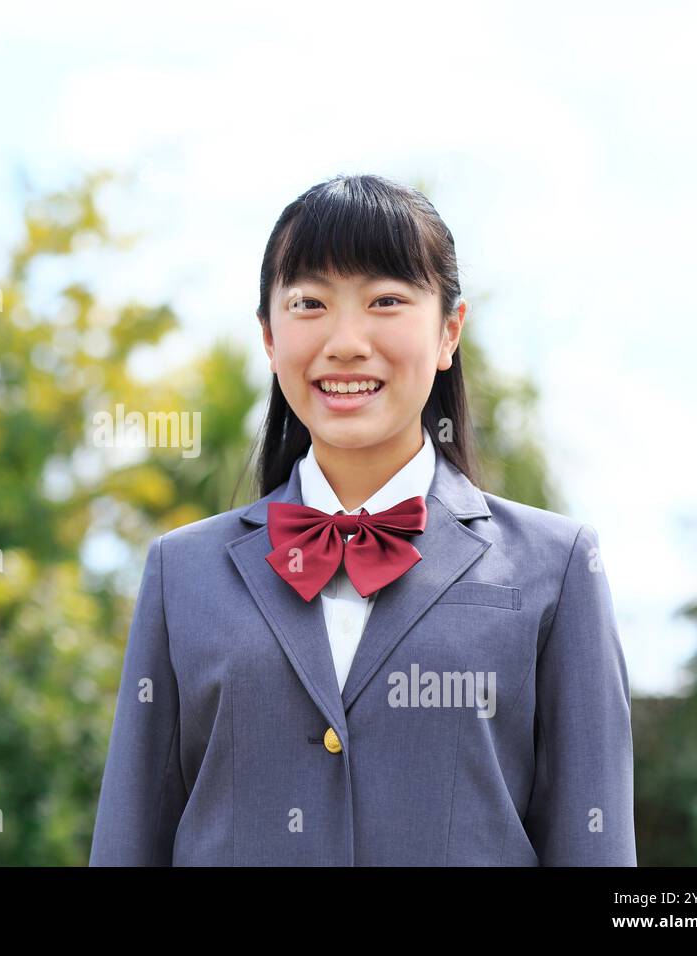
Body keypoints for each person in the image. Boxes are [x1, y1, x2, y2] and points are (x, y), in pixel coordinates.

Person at [88, 173, 636, 866]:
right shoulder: (181, 572)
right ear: (268, 335)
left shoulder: (558, 567)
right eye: (310, 303)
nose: (346, 342)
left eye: (385, 301)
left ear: (449, 332)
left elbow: (596, 848)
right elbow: (128, 840)